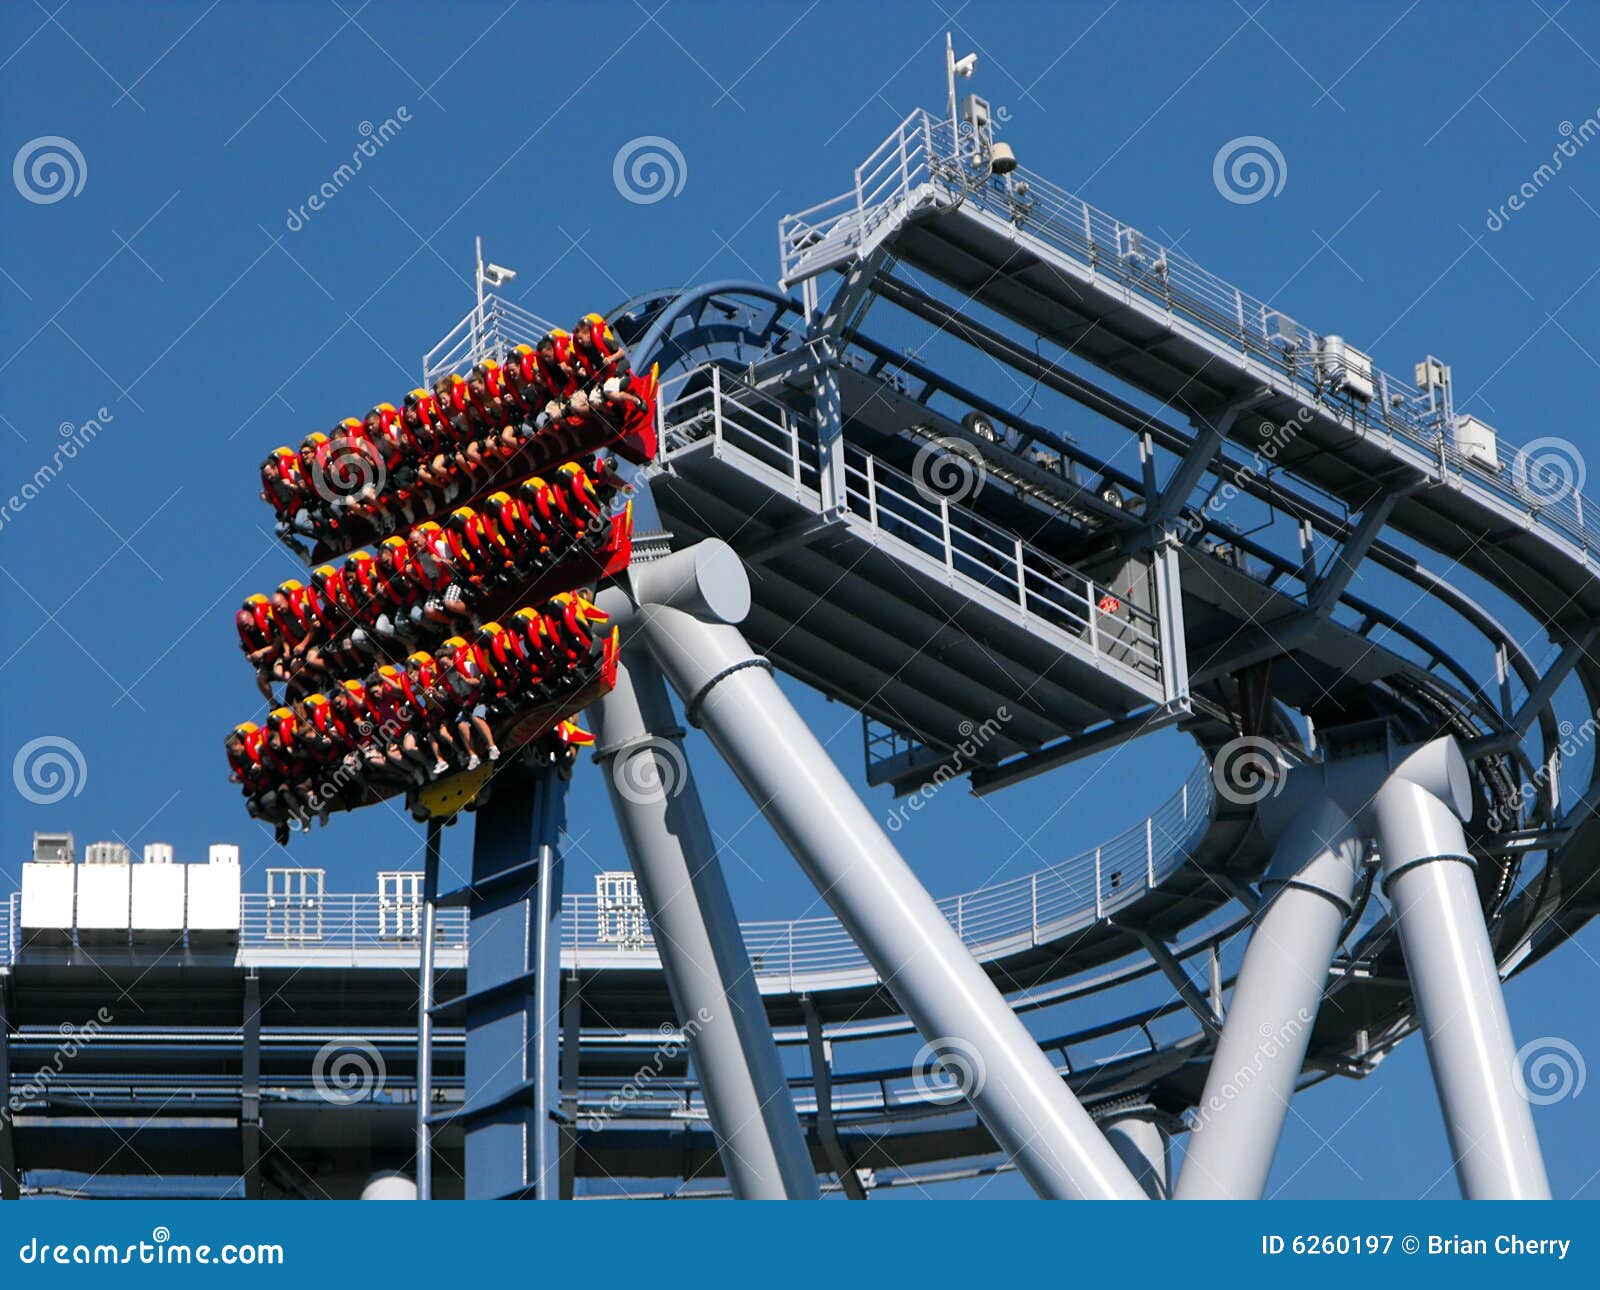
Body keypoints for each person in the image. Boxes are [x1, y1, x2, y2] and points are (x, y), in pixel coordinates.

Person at [437, 636, 499, 770]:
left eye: (447, 663)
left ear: (453, 659)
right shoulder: (446, 678)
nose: (446, 667)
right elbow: (446, 696)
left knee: (476, 718)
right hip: (465, 703)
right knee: (461, 726)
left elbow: (480, 682)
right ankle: (473, 756)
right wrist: (436, 695)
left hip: (480, 698)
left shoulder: (468, 666)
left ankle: (492, 747)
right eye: (442, 666)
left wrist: (466, 679)